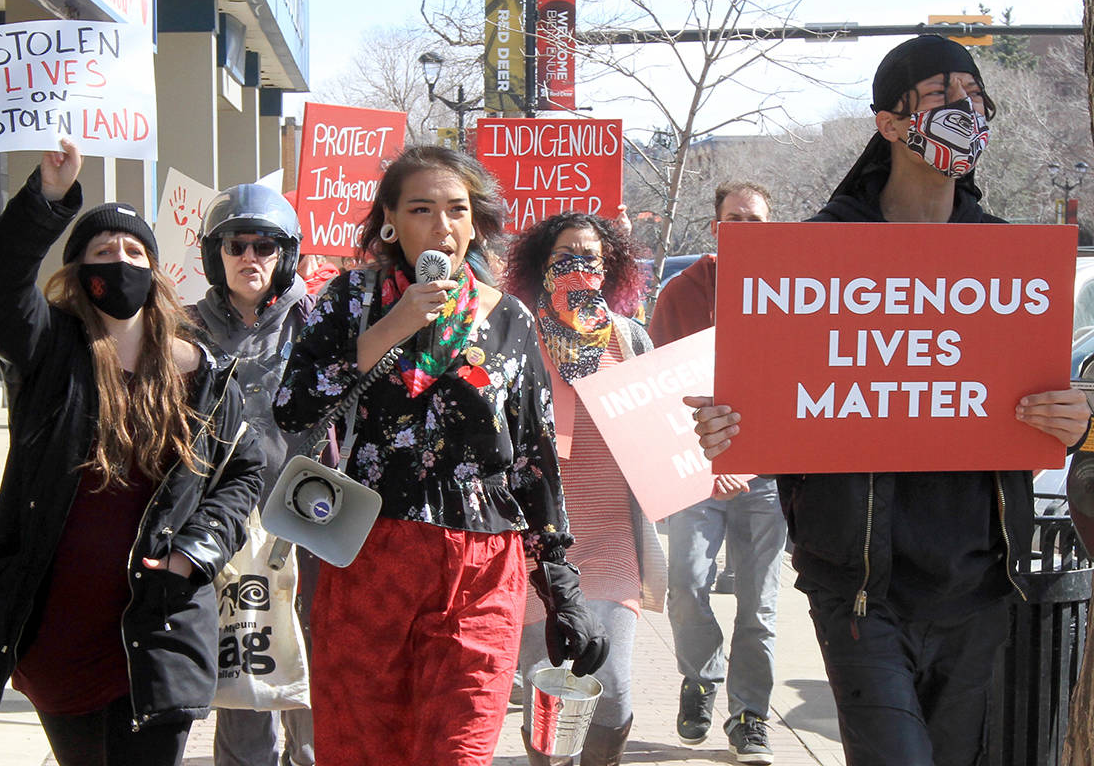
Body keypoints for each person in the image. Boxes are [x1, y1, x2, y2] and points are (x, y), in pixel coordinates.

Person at [688, 35, 1093, 766]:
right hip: (859, 589)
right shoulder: (814, 256)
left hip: (978, 586)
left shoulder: (1008, 259)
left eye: (975, 97)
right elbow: (777, 406)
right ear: (889, 122)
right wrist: (730, 423)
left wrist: (1076, 420)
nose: (965, 112)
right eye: (942, 98)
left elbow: (1038, 405)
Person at [272, 146, 608, 766]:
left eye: (457, 209)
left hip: (482, 564)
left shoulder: (509, 318)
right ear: (391, 222)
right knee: (364, 750)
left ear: (476, 223)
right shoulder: (352, 298)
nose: (442, 225)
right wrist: (390, 329)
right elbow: (293, 407)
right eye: (422, 209)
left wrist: (560, 585)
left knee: (458, 751)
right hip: (370, 555)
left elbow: (534, 457)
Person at [0, 139, 264, 766]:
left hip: (160, 624)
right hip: (60, 630)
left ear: (155, 272)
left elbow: (243, 473)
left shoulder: (205, 375)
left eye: (135, 251)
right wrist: (48, 199)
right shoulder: (49, 350)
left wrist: (198, 550)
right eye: (104, 251)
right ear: (78, 271)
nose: (121, 261)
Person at [504, 211, 668, 766]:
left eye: (591, 258)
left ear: (612, 266)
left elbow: (664, 425)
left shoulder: (631, 338)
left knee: (614, 691)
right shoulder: (518, 335)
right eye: (564, 259)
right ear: (539, 268)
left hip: (614, 542)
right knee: (548, 688)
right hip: (539, 548)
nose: (580, 270)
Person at [649, 181, 783, 765]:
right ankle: (700, 678)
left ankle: (750, 715)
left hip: (768, 477)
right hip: (695, 470)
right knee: (686, 585)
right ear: (716, 227)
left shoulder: (795, 291)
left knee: (760, 606)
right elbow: (655, 386)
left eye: (756, 221)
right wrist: (705, 457)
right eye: (735, 220)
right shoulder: (682, 292)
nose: (745, 229)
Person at [192, 182, 317, 766]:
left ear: (285, 254)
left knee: (316, 691)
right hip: (230, 526)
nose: (250, 257)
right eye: (236, 244)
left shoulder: (319, 322)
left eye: (264, 245)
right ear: (215, 253)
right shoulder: (184, 329)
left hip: (311, 520)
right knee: (247, 690)